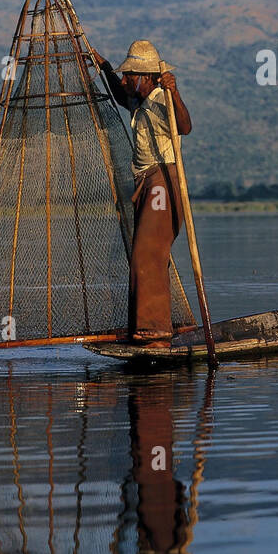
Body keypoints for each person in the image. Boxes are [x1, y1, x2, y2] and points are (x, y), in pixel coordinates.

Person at [87, 40, 192, 346]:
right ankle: (144, 328)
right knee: (142, 255)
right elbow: (119, 94)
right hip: (145, 182)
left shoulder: (162, 100)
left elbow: (184, 127)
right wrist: (103, 65)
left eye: (130, 75)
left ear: (146, 77)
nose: (125, 80)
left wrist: (175, 92)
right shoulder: (138, 100)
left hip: (163, 180)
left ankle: (155, 332)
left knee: (147, 253)